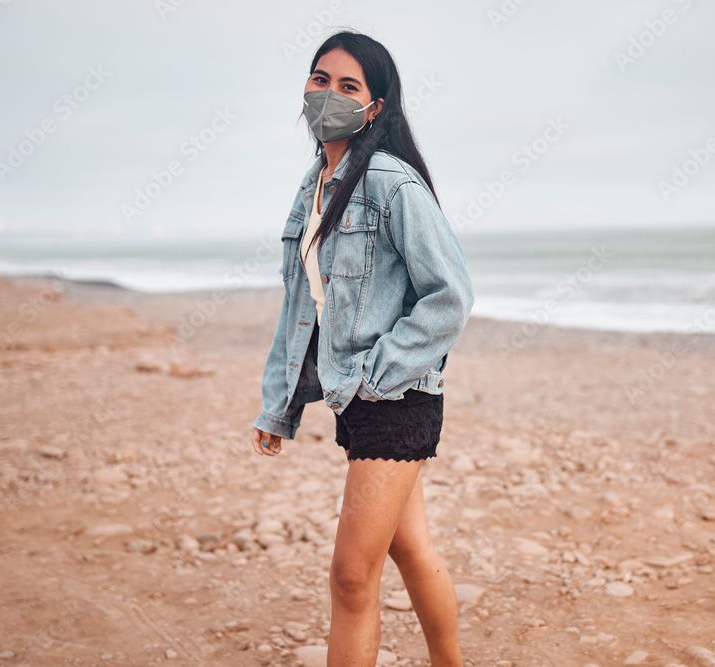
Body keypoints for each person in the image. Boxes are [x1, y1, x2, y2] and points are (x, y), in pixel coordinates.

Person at [249, 30, 474, 667]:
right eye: (320, 79)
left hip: (395, 396)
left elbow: (450, 296)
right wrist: (279, 406)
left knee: (351, 577)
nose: (329, 94)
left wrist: (375, 374)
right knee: (411, 549)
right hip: (356, 396)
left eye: (349, 86)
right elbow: (302, 304)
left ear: (374, 107)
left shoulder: (390, 183)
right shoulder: (314, 186)